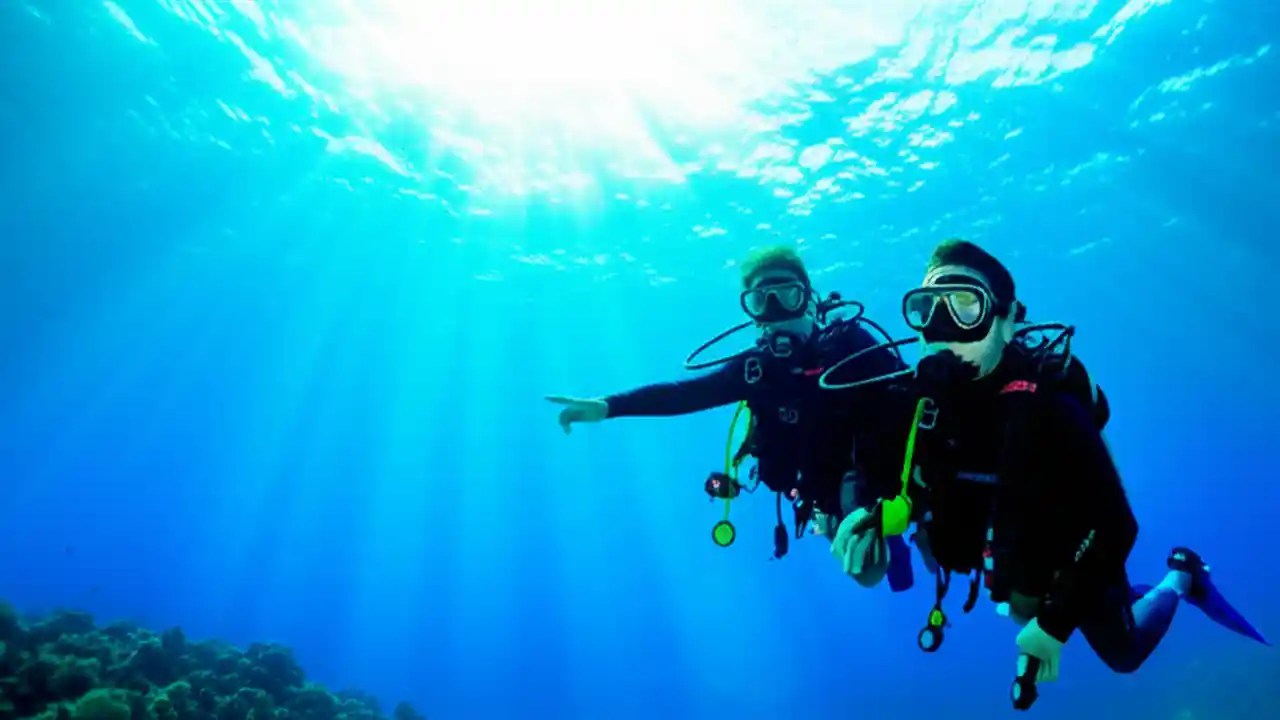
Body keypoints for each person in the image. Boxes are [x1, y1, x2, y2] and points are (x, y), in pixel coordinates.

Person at [828, 238, 1268, 707]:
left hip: (1070, 549)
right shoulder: (917, 407)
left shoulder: (1046, 409)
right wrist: (871, 515)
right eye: (927, 307)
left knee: (1124, 654)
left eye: (964, 305)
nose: (942, 327)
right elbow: (897, 481)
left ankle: (1181, 577)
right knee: (1026, 606)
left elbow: (1118, 525)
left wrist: (1056, 624)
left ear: (1007, 320)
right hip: (1004, 554)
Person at [548, 245, 910, 576]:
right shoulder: (755, 370)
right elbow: (685, 394)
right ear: (752, 313)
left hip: (864, 479)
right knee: (863, 565)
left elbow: (911, 397)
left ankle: (890, 526)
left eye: (787, 295)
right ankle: (841, 520)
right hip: (809, 486)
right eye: (760, 300)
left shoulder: (852, 347)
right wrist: (608, 406)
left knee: (870, 570)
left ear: (809, 300)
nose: (776, 311)